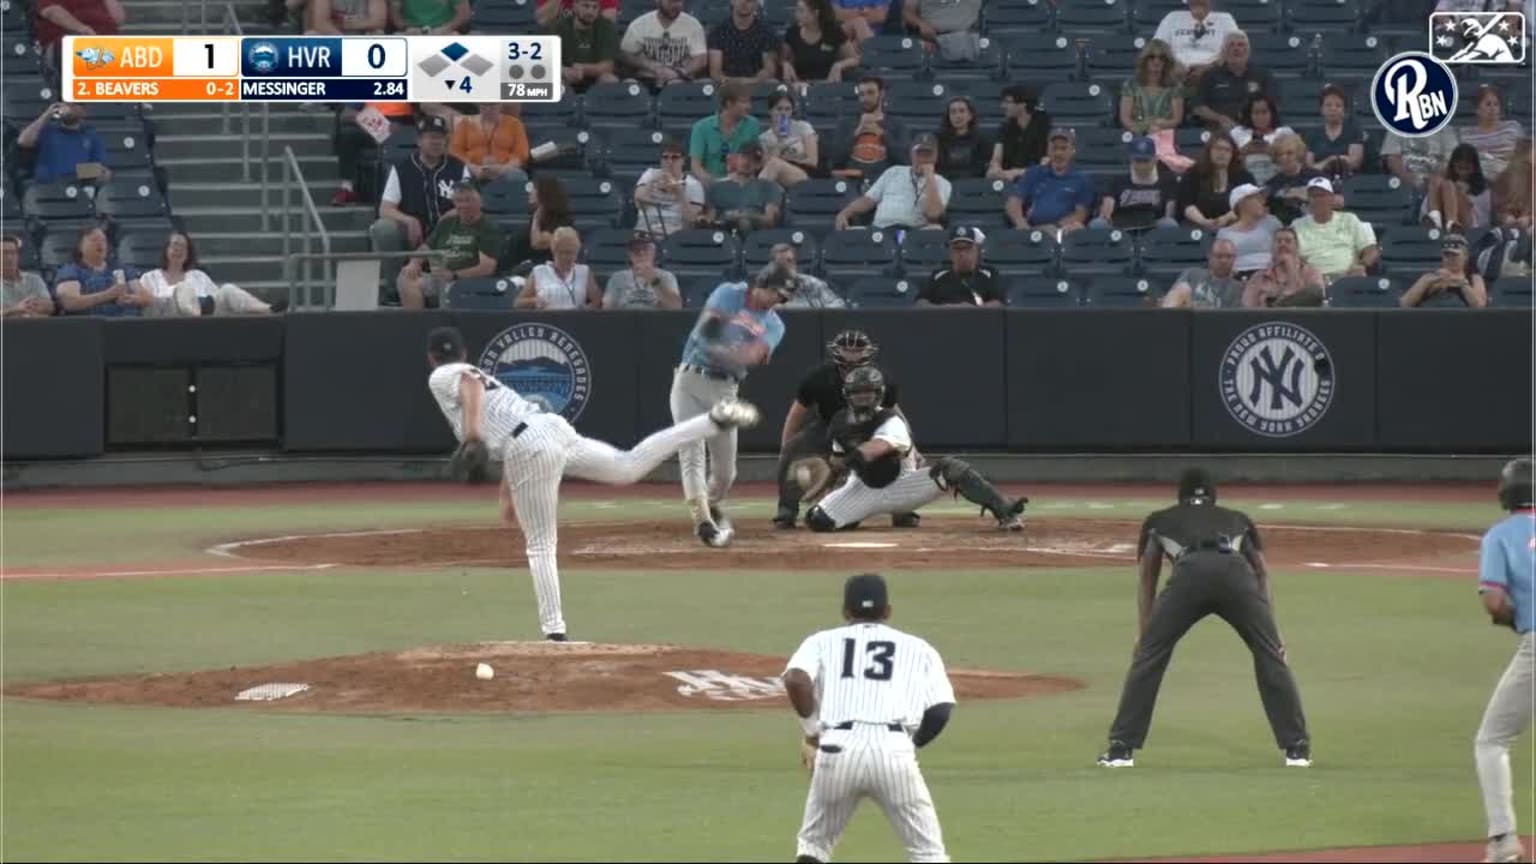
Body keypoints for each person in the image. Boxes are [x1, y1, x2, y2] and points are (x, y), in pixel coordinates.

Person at [425, 326, 760, 640]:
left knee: (540, 544)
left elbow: (471, 386)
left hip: (530, 444)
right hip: (550, 429)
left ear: (432, 357)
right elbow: (510, 430)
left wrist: (470, 436)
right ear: (464, 349)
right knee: (627, 466)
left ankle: (555, 633)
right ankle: (710, 422)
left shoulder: (442, 374)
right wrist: (507, 493)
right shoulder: (483, 376)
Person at [1096, 468, 1312, 769]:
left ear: (1180, 496)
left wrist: (1144, 632)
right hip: (1235, 575)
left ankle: (1121, 749)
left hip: (1189, 575)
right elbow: (1261, 571)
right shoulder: (1238, 518)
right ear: (1214, 496)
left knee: (1149, 658)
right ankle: (1297, 749)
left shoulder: (1159, 520)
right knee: (1270, 655)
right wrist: (1272, 632)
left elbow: (1148, 577)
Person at [781, 572, 956, 864]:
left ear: (845, 611)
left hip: (836, 747)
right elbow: (940, 710)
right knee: (927, 852)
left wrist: (813, 731)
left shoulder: (821, 641)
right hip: (894, 750)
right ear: (887, 611)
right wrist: (909, 745)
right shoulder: (919, 648)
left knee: (814, 846)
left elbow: (796, 680)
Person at [802, 366, 1026, 532]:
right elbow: (839, 459)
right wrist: (829, 472)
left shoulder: (890, 420)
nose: (862, 397)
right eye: (857, 393)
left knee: (952, 468)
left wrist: (846, 462)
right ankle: (854, 515)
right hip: (864, 487)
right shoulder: (840, 422)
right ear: (847, 395)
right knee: (817, 521)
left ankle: (1004, 509)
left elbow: (877, 448)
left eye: (868, 392)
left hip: (903, 485)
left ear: (879, 394)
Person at [671, 264, 797, 547]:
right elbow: (706, 331)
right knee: (691, 453)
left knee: (726, 472)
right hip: (690, 379)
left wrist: (729, 351)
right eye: (776, 293)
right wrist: (732, 351)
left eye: (782, 298)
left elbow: (752, 354)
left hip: (726, 389)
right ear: (762, 282)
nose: (777, 301)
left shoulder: (775, 324)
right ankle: (702, 519)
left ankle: (711, 503)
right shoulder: (729, 293)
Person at [774, 330, 915, 529]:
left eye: (857, 350)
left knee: (903, 452)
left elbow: (894, 412)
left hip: (871, 426)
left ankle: (904, 508)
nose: (852, 354)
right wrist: (786, 447)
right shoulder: (818, 377)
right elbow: (796, 414)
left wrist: (911, 444)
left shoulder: (884, 380)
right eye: (847, 350)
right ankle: (787, 509)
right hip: (830, 425)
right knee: (792, 449)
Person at [1472, 458, 1535, 864]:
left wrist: (1515, 617)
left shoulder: (1500, 536)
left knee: (1491, 741)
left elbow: (1494, 601)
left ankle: (1503, 840)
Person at [370, 114, 471, 290]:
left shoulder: (459, 167)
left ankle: (455, 288)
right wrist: (408, 220)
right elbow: (385, 209)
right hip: (413, 236)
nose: (436, 142)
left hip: (449, 235)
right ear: (419, 141)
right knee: (383, 228)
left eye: (440, 138)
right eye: (431, 137)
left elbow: (471, 205)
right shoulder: (403, 168)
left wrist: (452, 215)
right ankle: (396, 288)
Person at [400, 182, 503, 309]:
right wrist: (414, 263)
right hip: (439, 278)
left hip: (468, 282)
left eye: (468, 200)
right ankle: (416, 325)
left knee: (449, 290)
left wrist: (453, 275)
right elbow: (425, 248)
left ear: (481, 201)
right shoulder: (447, 223)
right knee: (406, 277)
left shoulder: (488, 228)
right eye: (459, 200)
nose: (463, 205)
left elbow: (487, 268)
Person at [139, 232, 274, 316]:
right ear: (166, 250)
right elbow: (146, 306)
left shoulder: (198, 275)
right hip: (170, 316)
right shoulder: (150, 277)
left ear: (188, 254)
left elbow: (216, 299)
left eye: (183, 247)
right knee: (183, 289)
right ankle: (193, 312)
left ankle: (268, 309)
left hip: (205, 315)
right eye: (175, 245)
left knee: (227, 289)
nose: (178, 250)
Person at [835, 134, 952, 231]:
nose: (922, 158)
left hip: (915, 233)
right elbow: (868, 200)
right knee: (849, 233)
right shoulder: (893, 171)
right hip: (881, 229)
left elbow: (933, 214)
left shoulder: (942, 183)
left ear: (935, 156)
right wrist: (844, 213)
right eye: (919, 153)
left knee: (935, 229)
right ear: (911, 154)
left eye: (927, 154)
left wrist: (929, 177)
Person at [1005, 128, 1095, 233]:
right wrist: (1022, 224)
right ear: (1048, 151)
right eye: (1054, 148)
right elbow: (1013, 202)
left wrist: (1055, 228)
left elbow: (1080, 214)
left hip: (1063, 233)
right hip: (1032, 231)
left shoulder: (1082, 180)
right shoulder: (1034, 173)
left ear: (1072, 151)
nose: (1058, 153)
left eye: (1063, 148)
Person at [1292, 177, 1379, 281]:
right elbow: (1288, 255)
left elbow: (1371, 250)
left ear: (1332, 198)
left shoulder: (1349, 219)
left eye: (1321, 195)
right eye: (1312, 196)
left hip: (1347, 276)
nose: (1316, 200)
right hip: (1312, 280)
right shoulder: (1297, 225)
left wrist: (1362, 265)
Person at [53, 225, 146, 317]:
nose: (100, 243)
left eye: (103, 240)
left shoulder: (120, 267)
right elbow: (70, 303)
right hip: (88, 325)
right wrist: (108, 295)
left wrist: (132, 299)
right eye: (94, 240)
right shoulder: (70, 271)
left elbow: (146, 297)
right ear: (80, 246)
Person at [1092, 136, 1180, 232]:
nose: (1142, 166)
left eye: (1146, 161)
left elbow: (1170, 212)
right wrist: (1106, 214)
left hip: (1153, 227)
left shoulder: (1167, 180)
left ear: (1155, 159)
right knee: (1098, 224)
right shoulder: (1117, 181)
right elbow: (1107, 209)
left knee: (1169, 224)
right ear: (1131, 160)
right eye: (1138, 161)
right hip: (1121, 226)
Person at [1194, 32, 1277, 133]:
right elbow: (1198, 107)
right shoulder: (1210, 76)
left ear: (1248, 51)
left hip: (1254, 130)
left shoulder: (1263, 75)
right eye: (1231, 45)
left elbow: (1271, 105)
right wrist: (1219, 118)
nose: (1236, 49)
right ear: (1224, 52)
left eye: (1240, 45)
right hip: (1220, 131)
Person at [830, 75, 909, 179]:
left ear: (881, 94)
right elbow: (835, 160)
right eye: (861, 94)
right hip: (852, 181)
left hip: (885, 181)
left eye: (870, 93)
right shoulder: (845, 123)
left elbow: (904, 160)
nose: (865, 98)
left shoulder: (897, 124)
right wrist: (856, 133)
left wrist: (882, 134)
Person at [690, 81, 763, 186]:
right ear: (729, 104)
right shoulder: (701, 128)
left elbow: (758, 159)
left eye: (749, 102)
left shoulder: (753, 125)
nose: (749, 106)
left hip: (743, 183)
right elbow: (696, 166)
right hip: (711, 183)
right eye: (743, 102)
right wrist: (711, 182)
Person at [620, 0, 708, 86]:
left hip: (681, 80)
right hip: (646, 79)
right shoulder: (639, 24)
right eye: (671, 1)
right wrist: (651, 66)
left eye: (679, 1)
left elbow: (700, 59)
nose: (676, 5)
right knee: (629, 84)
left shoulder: (693, 25)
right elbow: (625, 54)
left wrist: (680, 72)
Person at [17, 102, 109, 184]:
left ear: (84, 111)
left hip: (76, 188)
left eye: (75, 104)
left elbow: (99, 169)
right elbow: (23, 141)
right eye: (67, 103)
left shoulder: (91, 137)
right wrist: (48, 114)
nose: (70, 106)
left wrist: (75, 173)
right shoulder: (47, 131)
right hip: (45, 187)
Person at [1178, 132, 1253, 231]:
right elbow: (1187, 204)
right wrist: (1203, 221)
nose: (1222, 153)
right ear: (1209, 151)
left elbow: (1246, 205)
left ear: (1233, 154)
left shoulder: (1243, 176)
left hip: (1233, 225)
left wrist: (1225, 219)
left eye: (1227, 150)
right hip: (1197, 224)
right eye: (1218, 149)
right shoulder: (1193, 173)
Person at [635, 138, 708, 237]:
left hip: (675, 231)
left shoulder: (693, 185)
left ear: (683, 160)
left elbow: (692, 219)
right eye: (665, 157)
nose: (669, 162)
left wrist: (679, 193)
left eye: (675, 157)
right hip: (647, 227)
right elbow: (638, 203)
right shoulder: (650, 175)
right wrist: (652, 183)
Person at [516, 227, 600, 309]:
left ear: (576, 252)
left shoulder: (584, 272)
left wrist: (584, 311)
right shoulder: (539, 271)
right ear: (553, 251)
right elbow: (518, 303)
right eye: (560, 252)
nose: (564, 257)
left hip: (575, 320)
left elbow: (597, 301)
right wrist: (535, 301)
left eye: (569, 252)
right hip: (547, 320)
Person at [1241, 227, 1325, 308]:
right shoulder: (1258, 277)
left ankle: (1277, 308)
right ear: (1272, 248)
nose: (1283, 244)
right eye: (1278, 241)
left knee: (1314, 291)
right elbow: (1247, 308)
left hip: (1301, 319)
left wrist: (1291, 272)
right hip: (1267, 320)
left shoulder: (1311, 272)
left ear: (1297, 247)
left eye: (1288, 241)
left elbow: (1318, 299)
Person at [917, 225, 1001, 306]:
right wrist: (946, 309)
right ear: (950, 253)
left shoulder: (989, 274)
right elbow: (920, 303)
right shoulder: (938, 275)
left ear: (976, 251)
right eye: (957, 249)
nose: (962, 254)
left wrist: (973, 311)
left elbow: (998, 303)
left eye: (967, 248)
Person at [779, 0, 859, 84]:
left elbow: (854, 59)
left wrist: (839, 65)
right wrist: (785, 64)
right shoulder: (792, 33)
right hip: (800, 85)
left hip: (828, 85)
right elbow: (783, 58)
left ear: (815, 13)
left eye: (801, 11)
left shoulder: (833, 32)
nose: (796, 15)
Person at [1399, 233, 1489, 308]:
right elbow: (1404, 304)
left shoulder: (1473, 278)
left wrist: (1462, 284)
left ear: (1465, 257)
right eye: (1447, 256)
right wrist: (1426, 282)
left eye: (1455, 255)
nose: (1450, 259)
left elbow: (1480, 306)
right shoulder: (1429, 277)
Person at [709, 142, 784, 231]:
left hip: (755, 234)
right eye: (744, 157)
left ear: (759, 165)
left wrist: (744, 216)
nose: (748, 162)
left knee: (744, 223)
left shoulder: (768, 187)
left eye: (754, 160)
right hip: (724, 233)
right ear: (736, 158)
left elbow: (770, 220)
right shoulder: (718, 187)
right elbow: (711, 218)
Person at [1152, 0, 1238, 76]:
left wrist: (1208, 68)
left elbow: (1235, 48)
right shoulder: (1172, 18)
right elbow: (1157, 46)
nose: (1197, 1)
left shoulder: (1225, 19)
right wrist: (1174, 64)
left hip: (1214, 75)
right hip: (1176, 75)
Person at [450, 103, 530, 184]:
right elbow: (456, 151)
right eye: (484, 105)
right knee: (459, 174)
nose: (488, 109)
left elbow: (521, 153)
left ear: (500, 105)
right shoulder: (465, 123)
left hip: (505, 168)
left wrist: (504, 169)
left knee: (518, 176)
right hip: (474, 168)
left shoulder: (515, 124)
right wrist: (472, 167)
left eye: (492, 105)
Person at [987, 85, 1051, 183]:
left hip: (1036, 180)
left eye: (1008, 102)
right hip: (1008, 178)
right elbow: (996, 158)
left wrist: (1016, 173)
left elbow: (1045, 164)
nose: (1003, 106)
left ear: (1022, 104)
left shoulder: (1044, 126)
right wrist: (996, 169)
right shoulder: (1005, 127)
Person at [1120, 40, 1184, 137]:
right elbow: (1125, 119)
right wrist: (1143, 129)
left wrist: (1159, 127)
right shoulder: (1130, 85)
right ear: (1144, 60)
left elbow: (1176, 119)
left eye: (1161, 58)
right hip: (1136, 135)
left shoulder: (1175, 87)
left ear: (1167, 62)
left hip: (1165, 136)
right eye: (1151, 57)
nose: (1156, 61)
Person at [1460, 85, 1525, 180]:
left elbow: (1523, 154)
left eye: (1496, 104)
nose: (1493, 108)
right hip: (1479, 179)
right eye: (1488, 104)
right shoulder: (1465, 134)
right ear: (1477, 109)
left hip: (1509, 176)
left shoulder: (1512, 127)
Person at [551, 0, 620, 90]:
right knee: (556, 82)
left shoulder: (606, 27)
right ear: (575, 6)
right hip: (567, 79)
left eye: (594, 7)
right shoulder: (560, 27)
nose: (590, 12)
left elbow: (607, 67)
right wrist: (564, 71)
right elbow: (548, 62)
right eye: (586, 6)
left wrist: (582, 69)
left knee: (610, 80)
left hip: (596, 80)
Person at [1423, 143, 1492, 233]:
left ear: (1475, 168)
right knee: (1438, 181)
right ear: (1453, 166)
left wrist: (1461, 195)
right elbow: (1425, 207)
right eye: (1459, 168)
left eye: (1467, 168)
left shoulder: (1483, 188)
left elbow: (1484, 219)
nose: (1463, 173)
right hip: (1442, 218)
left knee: (1449, 185)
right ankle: (1435, 218)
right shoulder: (1442, 184)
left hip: (1470, 222)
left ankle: (1453, 222)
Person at [602, 232, 682, 309]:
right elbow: (607, 310)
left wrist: (654, 280)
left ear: (654, 252)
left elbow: (676, 307)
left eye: (646, 248)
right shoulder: (617, 277)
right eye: (635, 250)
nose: (641, 253)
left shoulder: (666, 276)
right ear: (629, 255)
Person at [758, 90, 819, 188]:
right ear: (770, 111)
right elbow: (766, 166)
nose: (783, 113)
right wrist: (780, 142)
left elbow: (813, 161)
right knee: (774, 165)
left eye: (787, 109)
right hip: (776, 180)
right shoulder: (764, 137)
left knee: (775, 163)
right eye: (779, 109)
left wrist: (788, 160)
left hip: (802, 174)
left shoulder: (803, 127)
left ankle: (752, 199)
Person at [707, 0, 780, 82]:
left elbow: (769, 70)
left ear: (756, 4)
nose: (744, 3)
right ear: (732, 1)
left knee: (772, 83)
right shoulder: (718, 32)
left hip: (757, 85)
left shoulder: (766, 32)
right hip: (725, 85)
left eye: (749, 0)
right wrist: (736, 84)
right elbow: (716, 72)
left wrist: (751, 82)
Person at [1217, 182, 1281, 276]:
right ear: (1242, 203)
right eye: (1257, 198)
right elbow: (1221, 264)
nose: (1263, 202)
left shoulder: (1272, 223)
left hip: (1271, 275)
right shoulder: (1225, 234)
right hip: (1238, 278)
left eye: (1262, 198)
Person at [1304, 84, 1366, 179]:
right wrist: (1329, 161)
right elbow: (1309, 166)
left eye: (1338, 105)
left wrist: (1337, 160)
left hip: (1349, 179)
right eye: (1328, 105)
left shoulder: (1354, 131)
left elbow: (1355, 162)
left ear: (1344, 110)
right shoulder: (1312, 134)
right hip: (1319, 180)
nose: (1333, 109)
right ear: (1322, 109)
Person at [1160, 238, 1243, 308]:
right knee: (1182, 288)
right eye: (1219, 256)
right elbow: (1172, 297)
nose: (1224, 261)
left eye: (1229, 257)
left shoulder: (1237, 287)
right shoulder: (1192, 274)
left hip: (1216, 321)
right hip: (1186, 317)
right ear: (1209, 256)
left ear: (1235, 258)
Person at [1231, 94, 1292, 185]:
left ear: (1272, 113)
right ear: (1249, 114)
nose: (1260, 117)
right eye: (1256, 113)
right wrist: (1244, 151)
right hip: (1244, 181)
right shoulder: (1237, 133)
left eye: (1264, 112)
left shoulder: (1284, 133)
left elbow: (1296, 159)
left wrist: (1271, 151)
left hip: (1277, 180)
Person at [1382, 126, 1460, 198]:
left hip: (1437, 183)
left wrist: (1434, 181)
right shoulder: (1397, 127)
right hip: (1404, 184)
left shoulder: (1445, 129)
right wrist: (1414, 181)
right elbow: (1392, 159)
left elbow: (1450, 160)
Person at [1262, 132, 1320, 226]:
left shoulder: (1316, 177)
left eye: (1289, 153)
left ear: (1298, 154)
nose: (1284, 158)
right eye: (1279, 154)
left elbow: (1336, 202)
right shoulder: (1271, 184)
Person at [522, 174, 574, 266]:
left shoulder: (561, 220)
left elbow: (537, 243)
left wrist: (536, 219)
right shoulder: (537, 217)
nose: (530, 193)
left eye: (534, 189)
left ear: (543, 193)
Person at [774, 243, 847, 308]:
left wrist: (819, 313)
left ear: (795, 264)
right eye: (781, 262)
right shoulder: (765, 289)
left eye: (789, 261)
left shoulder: (812, 284)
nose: (785, 265)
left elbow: (839, 305)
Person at [935, 96, 991, 179]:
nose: (957, 116)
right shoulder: (938, 139)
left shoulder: (982, 140)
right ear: (948, 116)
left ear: (970, 116)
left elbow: (980, 169)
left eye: (962, 111)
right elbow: (938, 168)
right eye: (953, 112)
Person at [1, 235, 55, 319]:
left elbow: (51, 307)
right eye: (4, 253)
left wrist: (37, 305)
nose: (9, 257)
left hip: (36, 327)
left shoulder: (34, 279)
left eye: (13, 253)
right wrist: (17, 309)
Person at [1492, 137, 1533, 230]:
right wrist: (1506, 217)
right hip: (1510, 224)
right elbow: (1497, 208)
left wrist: (1530, 219)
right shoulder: (1504, 177)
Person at [305, 0, 386, 33]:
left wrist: (349, 25)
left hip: (364, 34)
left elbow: (378, 21)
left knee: (379, 35)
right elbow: (321, 24)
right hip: (334, 34)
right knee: (311, 35)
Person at [389, 0, 470, 33]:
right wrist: (405, 28)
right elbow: (395, 15)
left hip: (445, 31)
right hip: (411, 31)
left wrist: (446, 28)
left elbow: (464, 14)